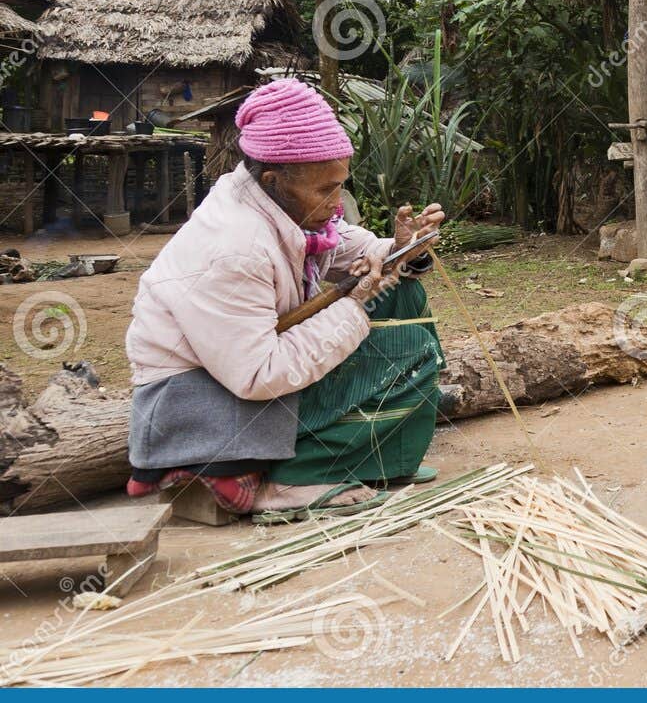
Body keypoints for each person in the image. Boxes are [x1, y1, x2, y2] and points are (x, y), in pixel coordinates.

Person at [124, 78, 446, 522]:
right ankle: (291, 479)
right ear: (275, 180)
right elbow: (260, 374)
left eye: (340, 187)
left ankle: (377, 460)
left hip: (236, 375)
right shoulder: (237, 245)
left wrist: (398, 251)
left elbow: (346, 246)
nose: (337, 205)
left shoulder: (275, 205)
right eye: (325, 190)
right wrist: (354, 308)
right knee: (409, 349)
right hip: (197, 406)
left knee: (402, 294)